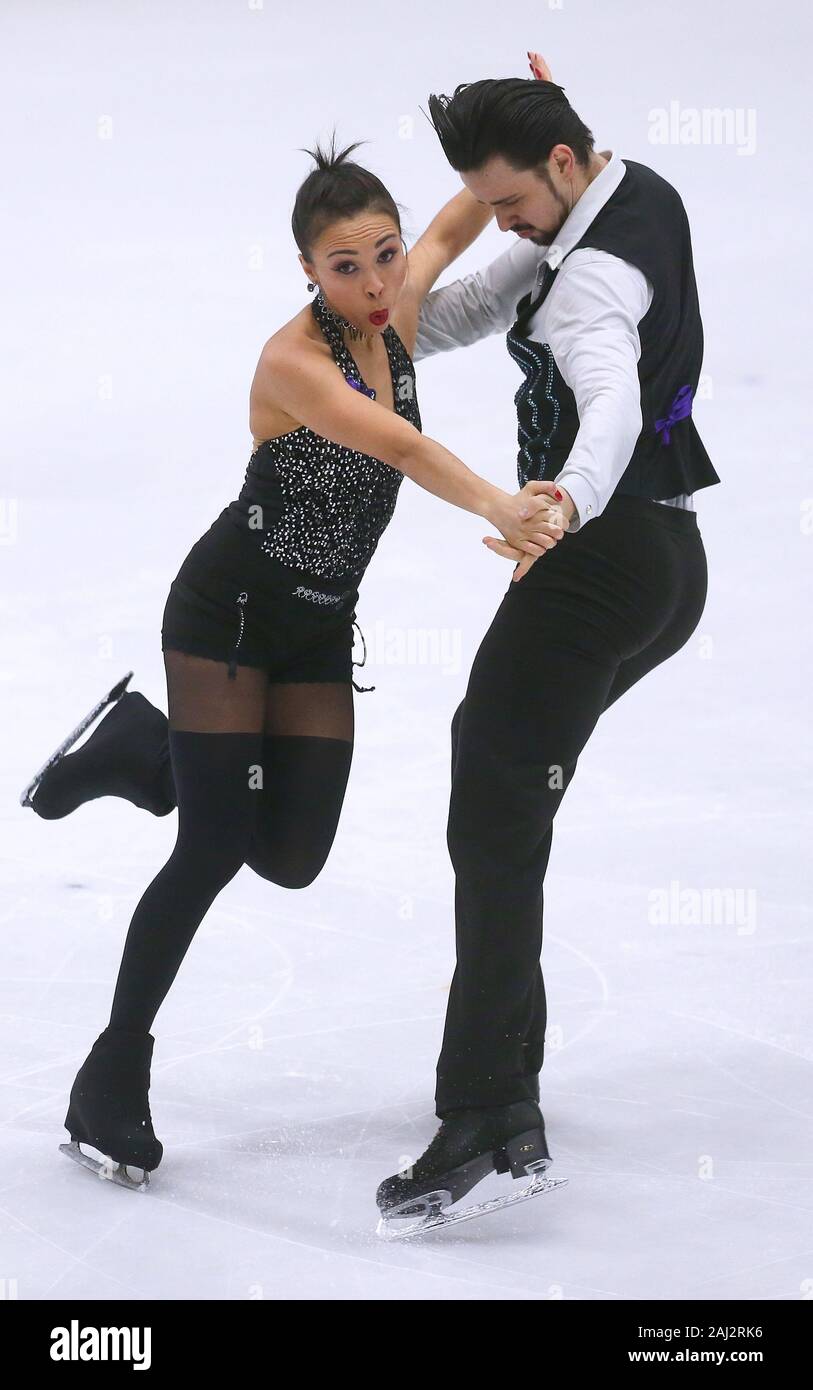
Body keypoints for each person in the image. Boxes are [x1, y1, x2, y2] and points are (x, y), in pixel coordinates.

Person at [28, 133, 566, 1191]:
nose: (374, 282)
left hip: (317, 626)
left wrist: (536, 128)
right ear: (308, 274)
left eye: (385, 254)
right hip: (226, 612)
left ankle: (147, 754)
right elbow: (404, 450)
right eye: (344, 266)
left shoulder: (399, 315)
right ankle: (110, 1076)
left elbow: (464, 215)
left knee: (294, 851)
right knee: (216, 845)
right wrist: (501, 503)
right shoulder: (294, 363)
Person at [375, 65, 720, 1233]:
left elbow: (611, 402)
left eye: (510, 200)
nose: (505, 221)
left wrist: (562, 504)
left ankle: (482, 1113)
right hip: (668, 568)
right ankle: (505, 1094)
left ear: (564, 167)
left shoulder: (594, 281)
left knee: (490, 804)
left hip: (603, 563)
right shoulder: (618, 193)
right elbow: (476, 305)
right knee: (507, 796)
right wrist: (400, 318)